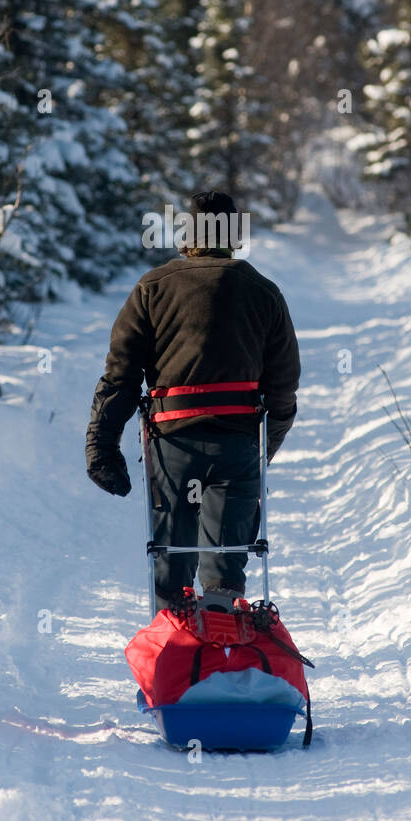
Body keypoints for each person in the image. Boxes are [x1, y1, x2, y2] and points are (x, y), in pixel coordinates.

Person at [85, 190, 300, 610]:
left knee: (171, 565)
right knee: (223, 573)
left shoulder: (153, 288)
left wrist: (102, 446)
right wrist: (262, 451)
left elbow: (121, 376)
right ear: (235, 236)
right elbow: (283, 390)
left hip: (170, 446)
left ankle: (173, 643)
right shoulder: (264, 292)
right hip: (238, 446)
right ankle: (223, 642)